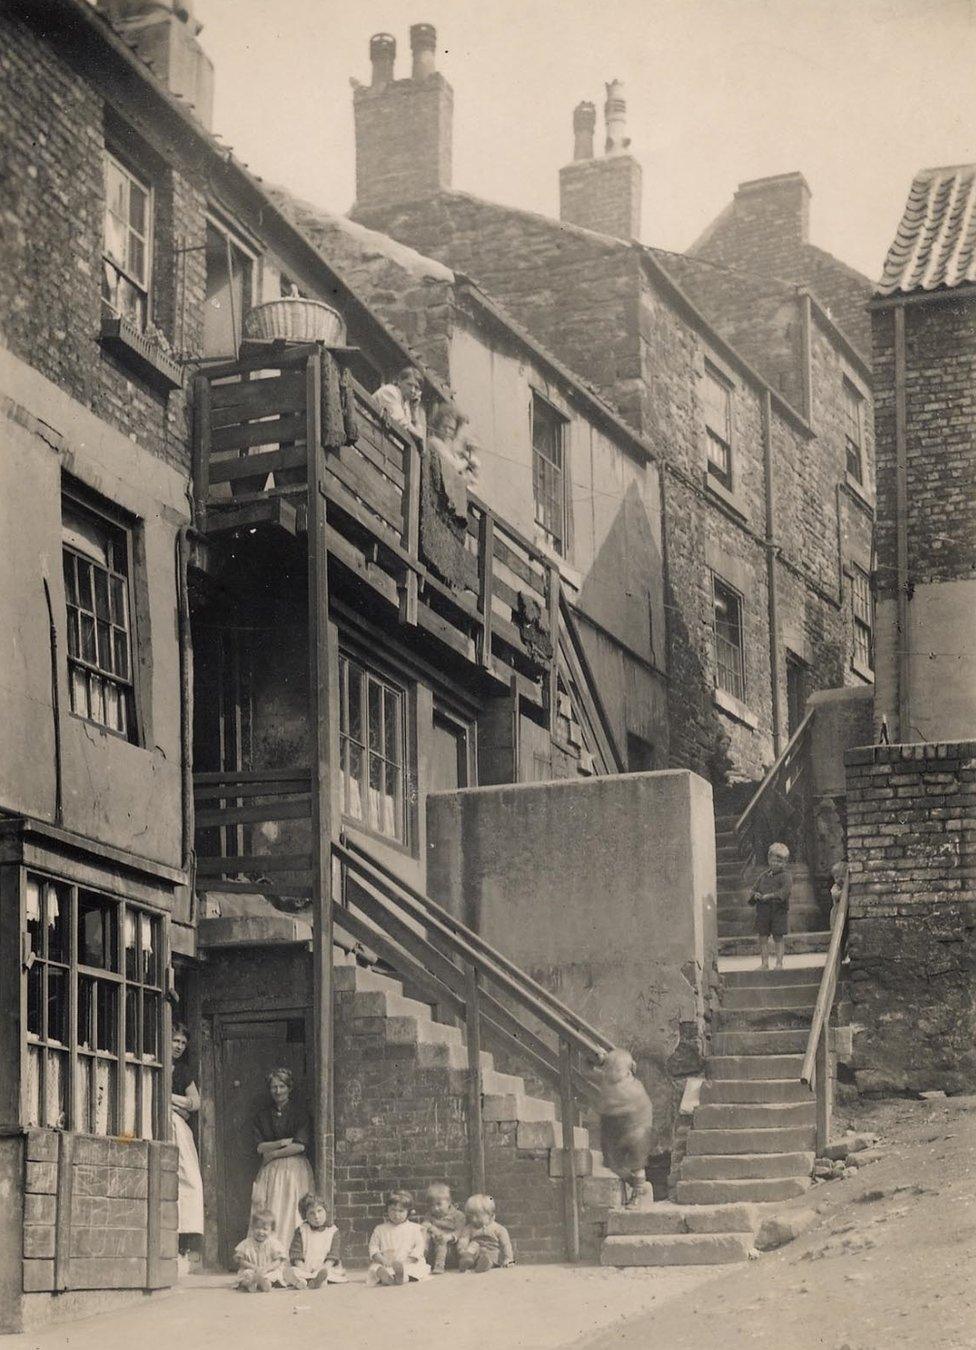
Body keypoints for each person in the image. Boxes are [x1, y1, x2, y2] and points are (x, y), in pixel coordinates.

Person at [251, 1067, 315, 1251]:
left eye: (282, 1086)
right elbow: (259, 1147)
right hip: (271, 1171)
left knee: (291, 1209)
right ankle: (270, 1251)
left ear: (289, 1088)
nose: (278, 1091)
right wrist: (281, 1142)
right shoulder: (262, 1116)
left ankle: (294, 1252)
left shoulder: (300, 1113)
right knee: (272, 1208)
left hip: (294, 1168)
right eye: (274, 1087)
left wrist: (273, 1154)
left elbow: (300, 1146)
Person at [595, 1048, 654, 1209]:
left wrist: (637, 1131)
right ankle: (637, 1184)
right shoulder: (608, 1083)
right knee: (613, 1164)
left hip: (636, 1131)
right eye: (610, 1069)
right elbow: (593, 1072)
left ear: (628, 1071)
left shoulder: (634, 1087)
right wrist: (601, 1058)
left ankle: (637, 1193)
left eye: (618, 1070)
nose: (613, 1073)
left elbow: (643, 1110)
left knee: (637, 1164)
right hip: (615, 1130)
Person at [171, 1022, 204, 1275]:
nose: (179, 1046)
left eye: (183, 1043)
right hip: (162, 1124)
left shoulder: (183, 1070)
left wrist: (170, 1100)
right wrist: (179, 1107)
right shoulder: (155, 1062)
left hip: (179, 1127)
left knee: (189, 1180)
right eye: (175, 1041)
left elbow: (195, 1104)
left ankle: (186, 1244)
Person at [366, 1189, 430, 1286]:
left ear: (408, 1212)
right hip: (387, 1263)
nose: (396, 1215)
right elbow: (373, 1247)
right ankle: (387, 1278)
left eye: (401, 1211)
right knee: (375, 1269)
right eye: (393, 1210)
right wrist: (382, 1260)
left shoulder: (414, 1228)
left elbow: (419, 1246)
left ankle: (401, 1277)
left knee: (416, 1269)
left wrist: (410, 1259)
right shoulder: (380, 1229)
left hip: (408, 1262)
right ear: (387, 1210)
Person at [287, 1192, 347, 1288]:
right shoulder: (301, 1230)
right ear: (305, 1215)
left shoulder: (333, 1231)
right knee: (292, 1271)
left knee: (330, 1273)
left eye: (320, 1211)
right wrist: (304, 1269)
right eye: (311, 1213)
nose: (316, 1216)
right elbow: (296, 1254)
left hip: (325, 1266)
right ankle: (302, 1282)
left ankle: (317, 1280)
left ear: (325, 1211)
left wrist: (323, 1268)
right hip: (305, 1267)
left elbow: (333, 1255)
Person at [749, 841, 793, 970]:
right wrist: (755, 895)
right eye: (774, 860)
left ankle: (779, 963)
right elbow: (753, 890)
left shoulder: (786, 877)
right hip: (763, 912)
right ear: (769, 860)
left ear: (785, 863)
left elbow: (784, 892)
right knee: (763, 937)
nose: (776, 864)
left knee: (778, 937)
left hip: (778, 912)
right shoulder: (763, 876)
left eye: (780, 862)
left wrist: (770, 896)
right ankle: (764, 963)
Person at [233, 1208, 289, 1292]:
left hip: (267, 1270)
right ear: (252, 1228)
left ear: (271, 1230)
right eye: (257, 1228)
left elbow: (278, 1261)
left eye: (265, 1229)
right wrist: (253, 1267)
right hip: (252, 1269)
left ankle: (264, 1284)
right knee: (246, 1274)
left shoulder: (273, 1243)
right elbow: (240, 1260)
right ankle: (249, 1284)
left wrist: (266, 1268)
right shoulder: (246, 1243)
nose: (260, 1232)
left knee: (273, 1275)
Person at [456, 1194, 514, 1272]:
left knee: (491, 1256)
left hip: (492, 1252)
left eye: (477, 1216)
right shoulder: (469, 1228)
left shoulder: (499, 1229)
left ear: (491, 1215)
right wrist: (462, 1250)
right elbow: (464, 1238)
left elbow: (506, 1245)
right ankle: (466, 1261)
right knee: (474, 1245)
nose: (473, 1219)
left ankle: (485, 1264)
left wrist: (509, 1259)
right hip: (475, 1254)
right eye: (471, 1216)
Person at [420, 1182, 466, 1274]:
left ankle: (439, 1266)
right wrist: (429, 1229)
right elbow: (425, 1226)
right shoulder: (429, 1215)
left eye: (438, 1204)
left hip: (450, 1247)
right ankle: (421, 1257)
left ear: (449, 1202)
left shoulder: (458, 1215)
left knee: (442, 1241)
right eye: (432, 1205)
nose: (435, 1208)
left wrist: (448, 1237)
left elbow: (460, 1231)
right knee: (424, 1235)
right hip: (432, 1245)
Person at [373, 366, 426, 439]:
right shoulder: (390, 391)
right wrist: (418, 435)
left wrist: (415, 411)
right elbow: (402, 423)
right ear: (399, 381)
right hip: (365, 431)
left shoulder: (406, 405)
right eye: (409, 385)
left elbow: (420, 437)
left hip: (376, 437)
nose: (412, 390)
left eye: (416, 388)